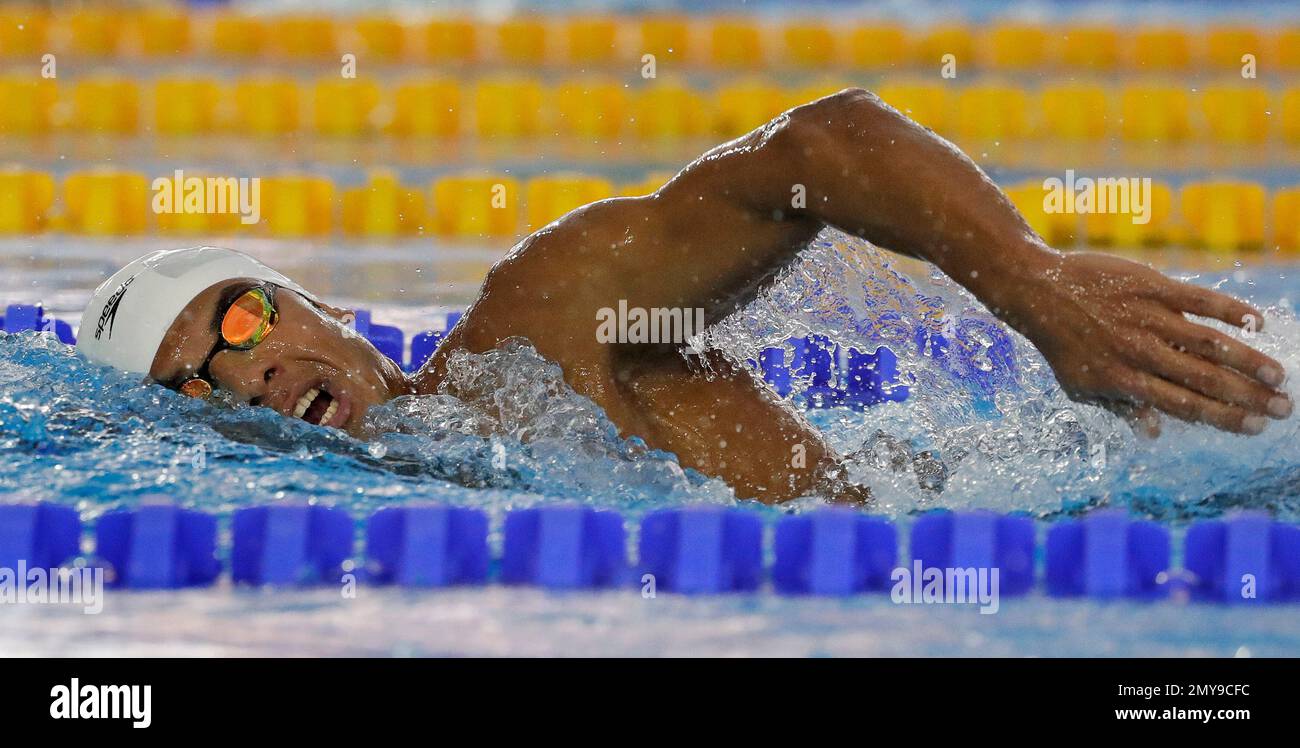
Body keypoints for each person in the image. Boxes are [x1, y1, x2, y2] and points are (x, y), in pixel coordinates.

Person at [76, 89, 1292, 504]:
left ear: (303, 302)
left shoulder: (540, 330)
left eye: (239, 319)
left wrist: (1037, 290)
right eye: (199, 380)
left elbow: (821, 144)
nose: (250, 374)